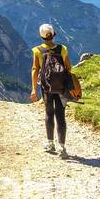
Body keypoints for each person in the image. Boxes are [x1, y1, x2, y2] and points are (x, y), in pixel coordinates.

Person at [30, 23, 73, 158]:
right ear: (54, 34)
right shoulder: (62, 49)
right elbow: (69, 67)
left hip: (46, 87)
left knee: (49, 113)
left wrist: (33, 89)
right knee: (61, 116)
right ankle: (62, 147)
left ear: (41, 36)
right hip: (61, 88)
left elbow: (35, 70)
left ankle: (50, 143)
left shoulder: (37, 51)